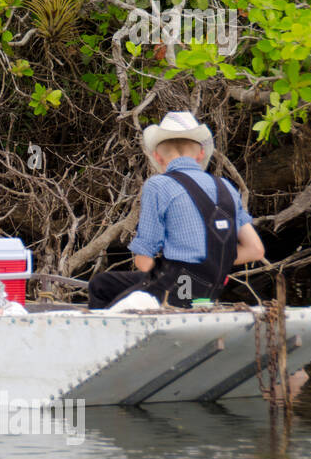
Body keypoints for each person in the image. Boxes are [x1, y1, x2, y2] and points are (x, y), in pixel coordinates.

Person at [88, 111, 265, 310]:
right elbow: (255, 250)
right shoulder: (226, 187)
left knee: (100, 287)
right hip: (208, 288)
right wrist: (210, 264)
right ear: (200, 154)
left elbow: (143, 260)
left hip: (177, 289)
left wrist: (161, 283)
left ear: (157, 157)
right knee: (105, 284)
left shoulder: (159, 185)